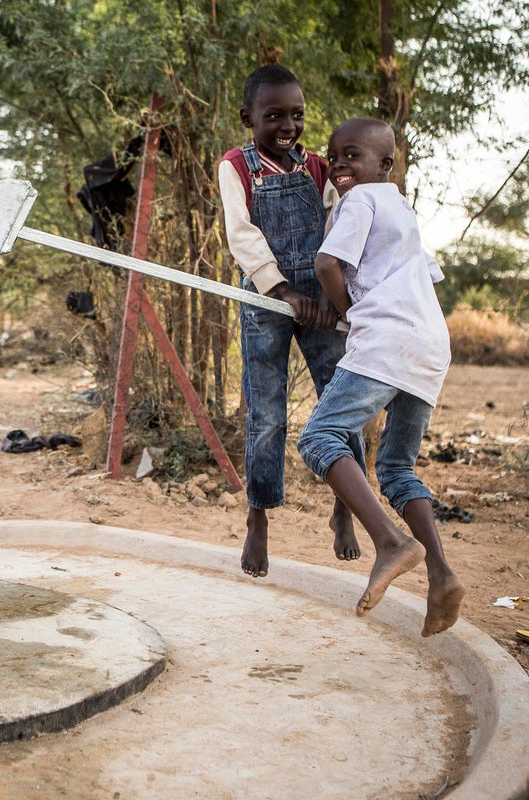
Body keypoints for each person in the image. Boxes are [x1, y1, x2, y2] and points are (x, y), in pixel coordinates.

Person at [297, 117, 465, 637]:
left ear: (385, 166)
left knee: (319, 437)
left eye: (353, 156)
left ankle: (391, 542)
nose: (341, 166)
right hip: (430, 346)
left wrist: (345, 311)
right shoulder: (404, 211)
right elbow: (421, 273)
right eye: (335, 158)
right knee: (395, 467)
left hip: (387, 340)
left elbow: (328, 264)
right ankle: (440, 573)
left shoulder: (361, 201)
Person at [218, 63, 359, 579]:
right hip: (266, 296)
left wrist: (328, 295)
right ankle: (259, 516)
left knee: (341, 400)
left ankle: (345, 505)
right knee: (266, 410)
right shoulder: (237, 166)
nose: (287, 125)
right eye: (274, 115)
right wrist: (282, 290)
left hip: (320, 299)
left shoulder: (319, 167)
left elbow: (337, 228)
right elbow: (242, 235)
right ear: (248, 117)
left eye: (297, 115)